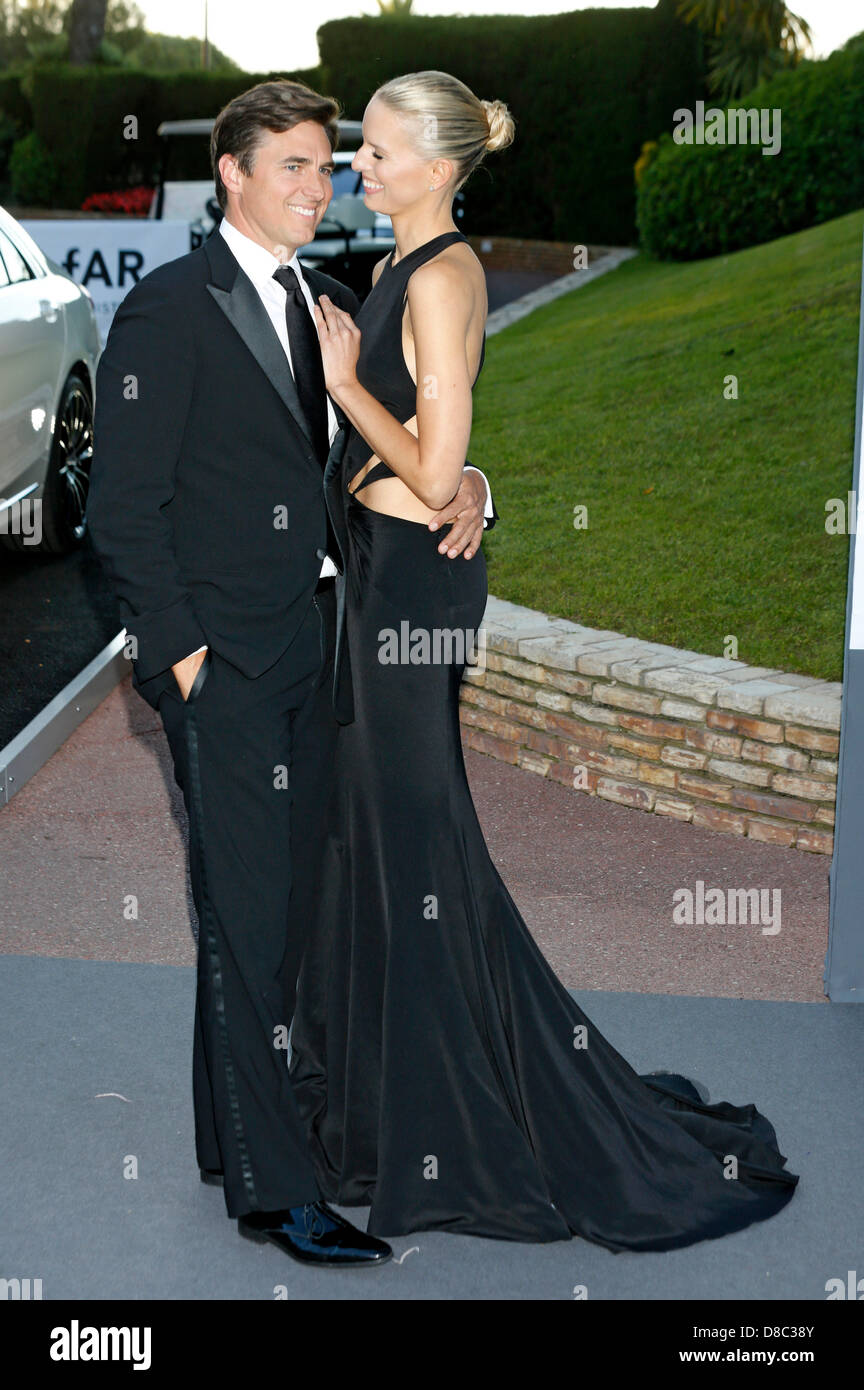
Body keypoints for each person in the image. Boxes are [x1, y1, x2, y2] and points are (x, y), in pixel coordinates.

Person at [287, 70, 800, 1251]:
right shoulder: (396, 270)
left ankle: (464, 1121)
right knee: (379, 840)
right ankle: (386, 1116)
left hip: (407, 590)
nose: (358, 163)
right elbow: (436, 469)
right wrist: (446, 468)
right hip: (381, 577)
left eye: (374, 147)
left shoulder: (448, 274)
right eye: (358, 146)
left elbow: (428, 467)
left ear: (438, 163)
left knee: (418, 844)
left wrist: (347, 389)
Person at [87, 78, 494, 1269]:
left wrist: (466, 486)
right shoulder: (168, 311)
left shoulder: (327, 302)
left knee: (280, 921)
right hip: (228, 669)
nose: (320, 187)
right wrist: (186, 664)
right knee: (251, 919)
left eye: (329, 166)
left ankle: (235, 1139)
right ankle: (282, 1194)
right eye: (295, 168)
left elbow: (386, 453)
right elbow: (123, 513)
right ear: (232, 173)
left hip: (317, 654)